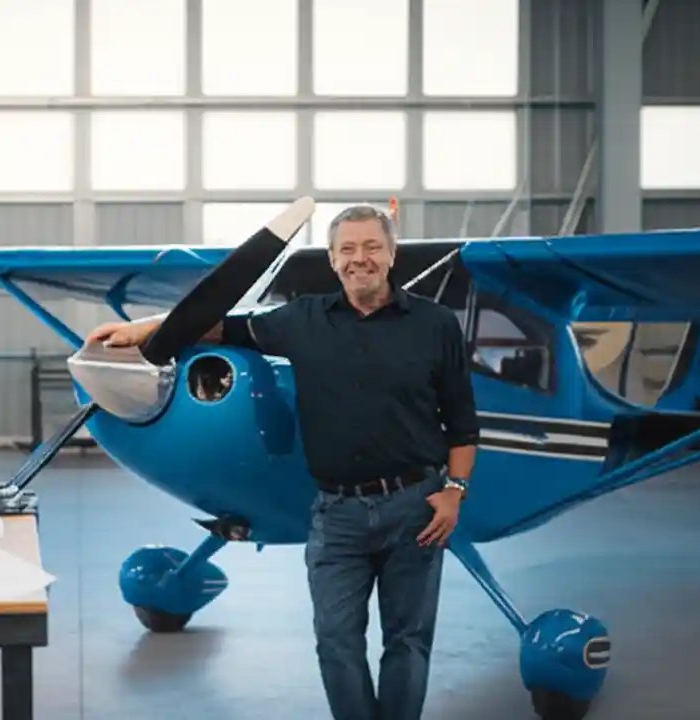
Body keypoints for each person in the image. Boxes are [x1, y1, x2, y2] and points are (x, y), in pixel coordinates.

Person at [85, 204, 478, 720]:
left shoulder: (435, 324)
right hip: (337, 512)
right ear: (334, 261)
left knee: (408, 641)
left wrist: (455, 492)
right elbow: (221, 328)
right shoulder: (302, 320)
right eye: (348, 249)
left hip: (414, 507)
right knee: (336, 641)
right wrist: (145, 330)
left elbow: (462, 419)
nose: (360, 258)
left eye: (372, 247)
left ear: (391, 254)